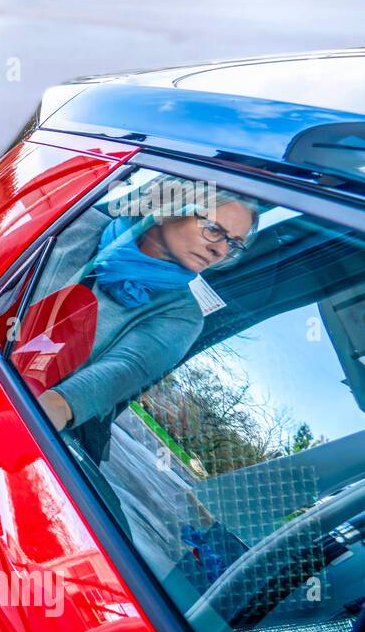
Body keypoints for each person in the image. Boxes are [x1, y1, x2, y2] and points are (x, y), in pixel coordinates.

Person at [35, 184, 258, 443]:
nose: (220, 251)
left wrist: (58, 406)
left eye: (233, 244)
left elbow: (123, 370)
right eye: (214, 229)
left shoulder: (182, 315)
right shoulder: (77, 223)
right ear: (173, 207)